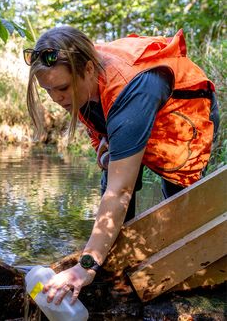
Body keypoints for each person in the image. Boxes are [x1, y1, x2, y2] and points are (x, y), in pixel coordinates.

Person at [23, 26, 219, 306]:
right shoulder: (84, 77)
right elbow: (111, 183)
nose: (56, 98)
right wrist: (107, 139)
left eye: (62, 88)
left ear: (88, 69)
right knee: (111, 190)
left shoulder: (130, 88)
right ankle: (115, 273)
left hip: (183, 121)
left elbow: (120, 192)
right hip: (134, 111)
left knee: (180, 208)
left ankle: (190, 284)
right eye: (48, 90)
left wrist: (85, 266)